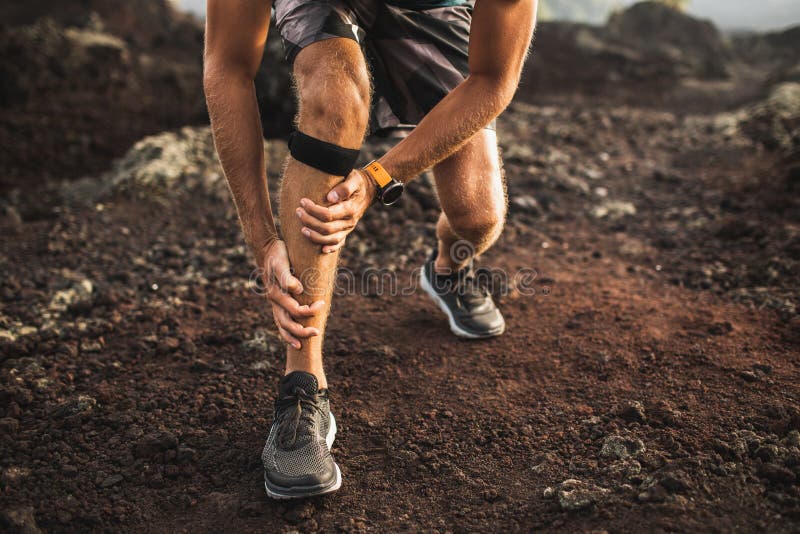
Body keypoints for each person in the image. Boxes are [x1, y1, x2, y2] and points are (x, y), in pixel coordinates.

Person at [204, 0, 537, 499]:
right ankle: (302, 385)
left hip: (433, 10)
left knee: (477, 216)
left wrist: (379, 177)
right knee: (334, 99)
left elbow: (493, 79)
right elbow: (228, 66)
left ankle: (447, 269)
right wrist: (262, 239)